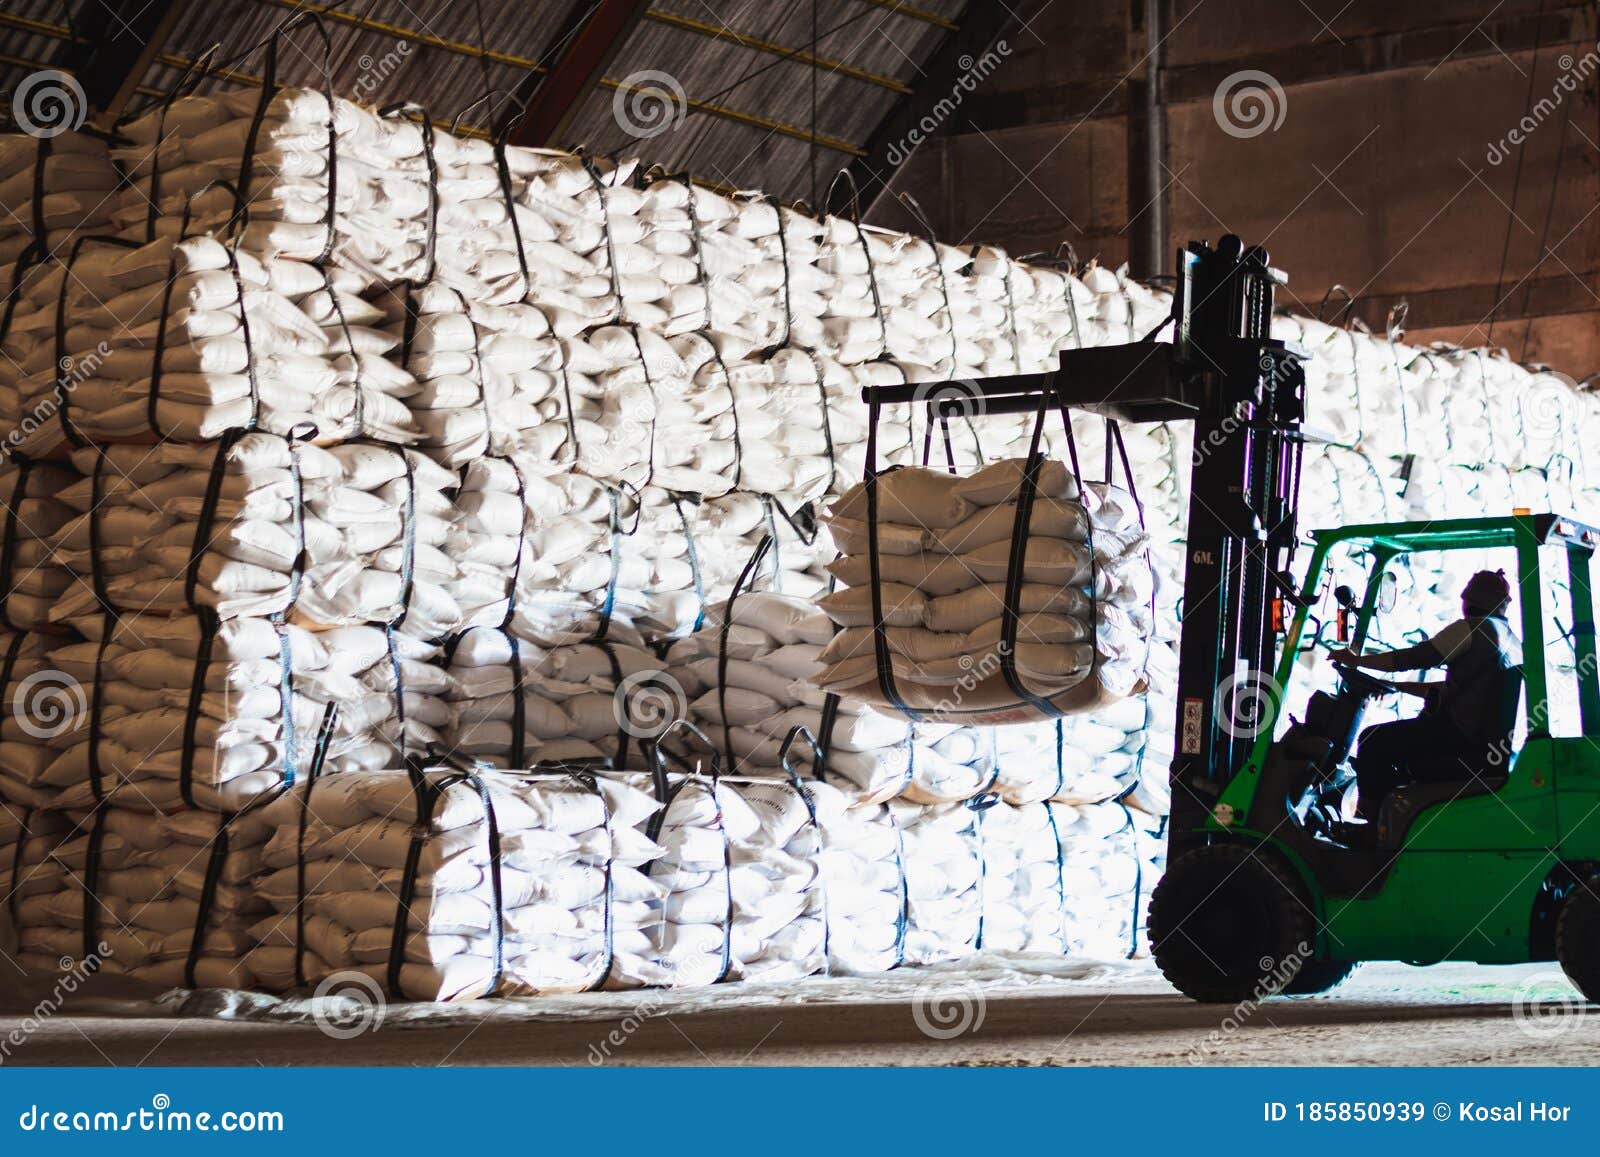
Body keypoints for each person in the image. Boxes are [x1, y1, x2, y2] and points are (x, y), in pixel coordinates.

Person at [1328, 569, 1522, 822]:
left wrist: (1356, 660)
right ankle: (1388, 819)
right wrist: (1395, 687)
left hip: (1458, 739)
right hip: (1484, 747)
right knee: (1394, 750)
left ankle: (1368, 827)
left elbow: (1411, 658)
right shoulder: (1512, 643)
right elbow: (1455, 689)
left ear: (1469, 599)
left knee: (1373, 741)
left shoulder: (1471, 629)